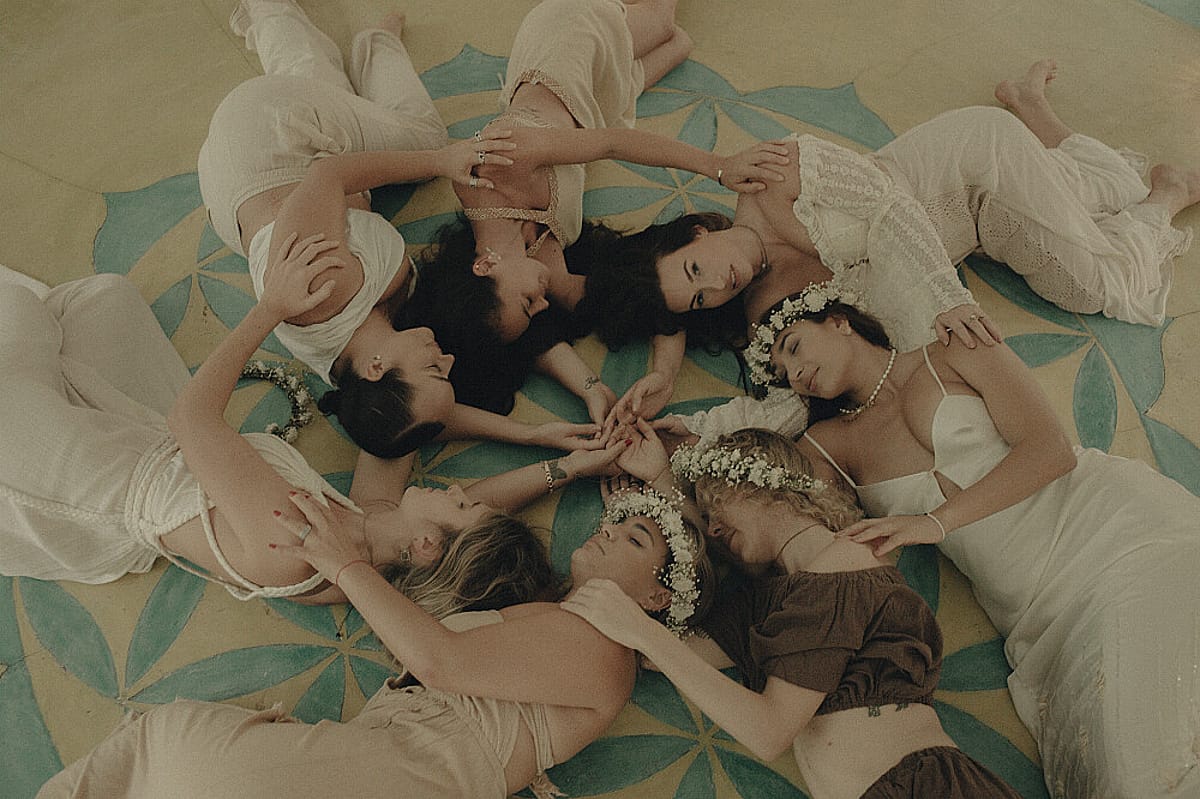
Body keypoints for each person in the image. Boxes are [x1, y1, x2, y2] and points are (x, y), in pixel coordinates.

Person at [718, 284, 1200, 798]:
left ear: (839, 320)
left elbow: (1050, 450)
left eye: (793, 346)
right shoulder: (825, 448)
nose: (796, 375)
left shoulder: (954, 345)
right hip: (1042, 613)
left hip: (1115, 531)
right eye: (785, 376)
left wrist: (934, 523)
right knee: (1128, 769)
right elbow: (770, 517)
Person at [589, 59, 1198, 423]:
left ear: (696, 231)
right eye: (700, 301)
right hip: (973, 229)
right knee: (1086, 254)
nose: (718, 285)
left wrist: (948, 296)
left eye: (697, 269)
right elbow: (783, 399)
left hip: (963, 164)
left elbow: (891, 209)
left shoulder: (773, 173)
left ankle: (1162, 191)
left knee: (1103, 255)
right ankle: (1033, 106)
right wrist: (670, 386)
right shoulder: (758, 316)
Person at [0, 244, 617, 603]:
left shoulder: (300, 545)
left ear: (428, 546)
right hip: (148, 439)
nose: (461, 489)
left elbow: (195, 417)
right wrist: (561, 458)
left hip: (92, 475)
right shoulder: (371, 548)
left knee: (20, 311)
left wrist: (272, 308)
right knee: (103, 299)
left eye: (457, 506)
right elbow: (439, 469)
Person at [37, 480, 715, 799]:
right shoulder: (544, 612)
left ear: (658, 599)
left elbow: (438, 658)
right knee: (162, 741)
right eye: (616, 518)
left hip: (386, 774)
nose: (606, 529)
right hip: (361, 760)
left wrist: (343, 563)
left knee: (162, 748)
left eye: (634, 537)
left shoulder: (604, 649)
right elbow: (449, 514)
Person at [197, 0, 596, 457]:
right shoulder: (360, 374)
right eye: (446, 371)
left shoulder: (323, 291)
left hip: (268, 142)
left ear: (376, 367)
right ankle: (268, 12)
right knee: (312, 74)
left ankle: (376, 44)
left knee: (425, 139)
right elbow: (426, 420)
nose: (445, 360)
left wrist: (441, 160)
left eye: (434, 370)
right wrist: (534, 433)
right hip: (265, 190)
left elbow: (328, 177)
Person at [565, 426, 1021, 798]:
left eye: (715, 507)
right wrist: (618, 561)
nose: (714, 527)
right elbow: (653, 658)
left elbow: (769, 731)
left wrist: (647, 635)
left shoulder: (844, 562)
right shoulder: (771, 605)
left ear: (761, 484)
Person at [409, 0, 789, 420]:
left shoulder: (490, 169)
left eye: (526, 303)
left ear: (483, 267)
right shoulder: (542, 271)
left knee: (662, 23)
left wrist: (720, 167)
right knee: (679, 45)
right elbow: (649, 291)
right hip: (592, 109)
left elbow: (613, 144)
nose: (540, 308)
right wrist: (657, 376)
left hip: (565, 50)